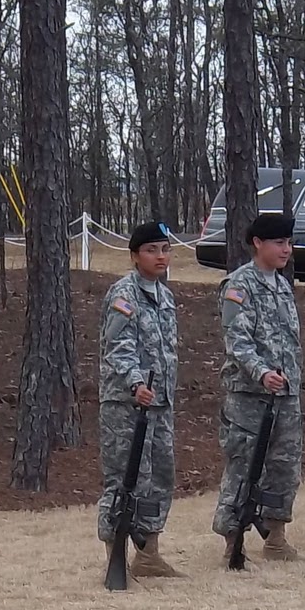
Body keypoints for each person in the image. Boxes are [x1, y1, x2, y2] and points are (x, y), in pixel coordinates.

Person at [211, 211, 304, 565]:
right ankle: (232, 541)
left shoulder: (282, 285)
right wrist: (262, 373)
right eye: (279, 243)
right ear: (258, 243)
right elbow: (238, 342)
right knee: (244, 467)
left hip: (285, 395)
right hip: (250, 396)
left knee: (284, 467)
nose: (286, 249)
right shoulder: (238, 286)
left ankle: (276, 537)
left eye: (289, 243)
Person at [96, 221, 182, 578]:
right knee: (124, 479)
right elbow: (118, 349)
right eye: (151, 250)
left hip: (159, 404)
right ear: (134, 256)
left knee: (159, 477)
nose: (160, 256)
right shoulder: (123, 295)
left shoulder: (165, 296)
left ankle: (149, 554)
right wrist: (135, 384)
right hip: (127, 404)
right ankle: (114, 554)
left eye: (165, 249)